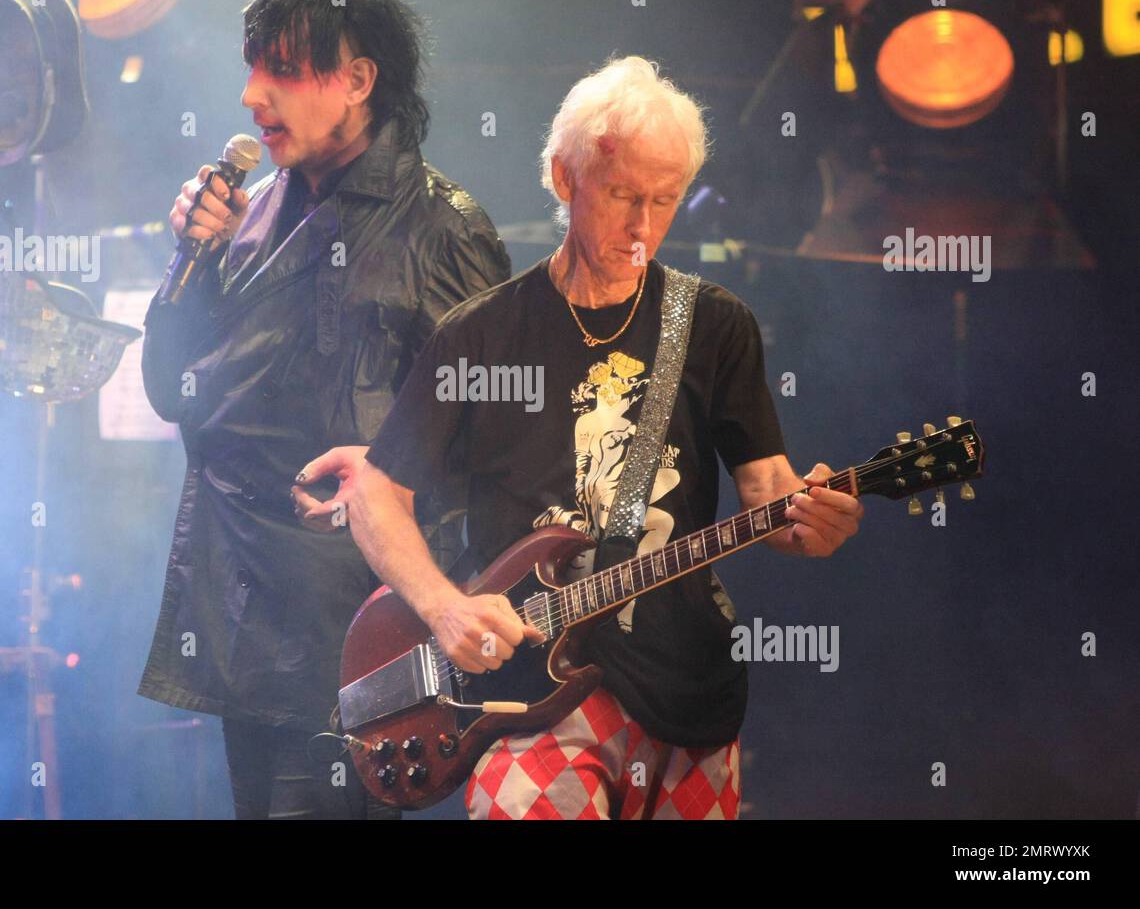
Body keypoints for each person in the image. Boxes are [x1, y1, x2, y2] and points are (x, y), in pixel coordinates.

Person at [296, 56, 865, 820]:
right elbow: (377, 492)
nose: (641, 228)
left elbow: (770, 492)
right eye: (623, 194)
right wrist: (444, 607)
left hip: (689, 687)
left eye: (664, 201)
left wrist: (814, 522)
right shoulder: (482, 334)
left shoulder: (714, 324)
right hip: (533, 690)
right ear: (565, 179)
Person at [137, 0, 512, 820]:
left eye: (283, 70)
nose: (250, 95)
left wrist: (423, 576)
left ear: (357, 79)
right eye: (250, 68)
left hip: (354, 632)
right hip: (240, 611)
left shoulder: (443, 229)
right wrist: (187, 266)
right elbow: (172, 391)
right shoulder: (254, 210)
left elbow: (494, 445)